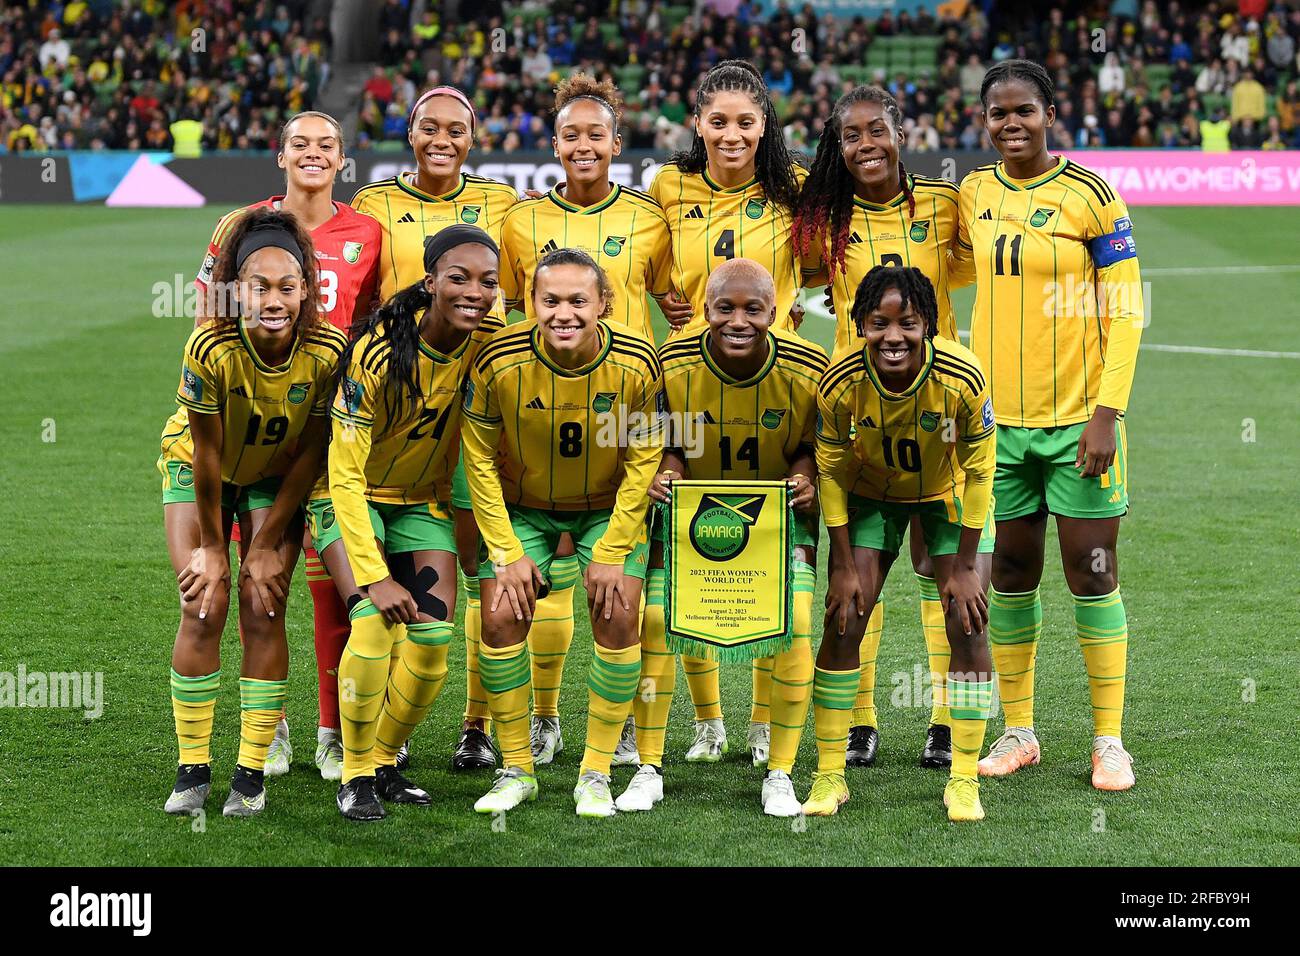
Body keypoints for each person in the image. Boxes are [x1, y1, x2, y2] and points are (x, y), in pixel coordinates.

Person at [956, 60, 1143, 792]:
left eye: (1024, 110)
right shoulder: (973, 191)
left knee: (1091, 575)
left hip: (1077, 425)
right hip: (997, 429)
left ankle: (1108, 741)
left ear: (1051, 113)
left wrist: (1107, 413)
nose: (1011, 123)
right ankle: (1020, 730)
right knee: (1010, 573)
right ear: (983, 122)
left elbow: (1127, 312)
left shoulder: (1092, 196)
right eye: (998, 113)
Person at [194, 110, 382, 783]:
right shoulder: (240, 226)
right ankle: (267, 726)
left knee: (333, 583)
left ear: (341, 160)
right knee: (256, 576)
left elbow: (370, 330)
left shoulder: (367, 231)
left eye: (325, 145)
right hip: (251, 424)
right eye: (299, 143)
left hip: (326, 427)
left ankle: (334, 728)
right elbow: (209, 320)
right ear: (280, 156)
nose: (312, 153)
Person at [497, 72, 678, 768]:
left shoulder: (647, 219)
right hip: (542, 418)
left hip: (626, 419)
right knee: (540, 586)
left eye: (594, 134)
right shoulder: (521, 221)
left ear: (616, 141)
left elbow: (676, 305)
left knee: (625, 588)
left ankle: (627, 726)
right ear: (554, 142)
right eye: (570, 134)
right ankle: (541, 721)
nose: (582, 145)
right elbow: (512, 315)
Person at [793, 84, 976, 771]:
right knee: (855, 577)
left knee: (945, 574)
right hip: (854, 417)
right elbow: (796, 284)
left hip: (938, 415)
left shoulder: (943, 202)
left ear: (902, 131)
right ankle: (859, 721)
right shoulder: (826, 216)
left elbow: (977, 260)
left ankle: (947, 721)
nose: (866, 145)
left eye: (877, 131)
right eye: (852, 136)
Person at [649, 58, 816, 764]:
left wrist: (803, 309)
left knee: (769, 563)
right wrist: (667, 300)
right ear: (697, 123)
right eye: (717, 121)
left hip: (777, 392)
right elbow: (644, 264)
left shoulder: (796, 188)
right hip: (688, 388)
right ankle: (708, 721)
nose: (731, 134)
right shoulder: (666, 185)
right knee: (693, 556)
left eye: (745, 122)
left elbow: (835, 264)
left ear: (764, 125)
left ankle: (759, 725)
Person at [616, 258, 827, 817]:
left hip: (776, 523)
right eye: (725, 308)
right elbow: (664, 442)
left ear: (774, 313)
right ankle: (648, 765)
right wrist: (668, 470)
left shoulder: (810, 368)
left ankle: (779, 771)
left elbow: (815, 442)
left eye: (753, 309)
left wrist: (806, 477)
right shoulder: (672, 364)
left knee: (799, 621)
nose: (738, 320)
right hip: (694, 520)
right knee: (658, 621)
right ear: (704, 311)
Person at [351, 85, 519, 771]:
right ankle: (379, 736)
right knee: (389, 577)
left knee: (479, 565)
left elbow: (520, 289)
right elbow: (363, 303)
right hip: (400, 402)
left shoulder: (503, 203)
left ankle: (476, 725)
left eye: (456, 128)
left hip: (473, 399)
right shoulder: (373, 204)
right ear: (410, 133)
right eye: (429, 127)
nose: (442, 138)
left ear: (474, 137)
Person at [461, 249, 662, 818]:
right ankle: (516, 767)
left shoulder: (638, 361)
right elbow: (476, 459)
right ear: (531, 303)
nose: (564, 314)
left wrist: (614, 548)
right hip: (524, 509)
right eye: (550, 301)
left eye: (578, 301)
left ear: (605, 303)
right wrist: (503, 549)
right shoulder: (497, 362)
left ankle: (596, 770)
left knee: (619, 607)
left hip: (605, 506)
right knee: (500, 612)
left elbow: (644, 458)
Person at [160, 209, 347, 818]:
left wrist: (265, 541)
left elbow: (313, 452)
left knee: (263, 605)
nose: (274, 299)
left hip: (276, 475)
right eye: (258, 286)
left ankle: (249, 774)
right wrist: (216, 545)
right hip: (202, 470)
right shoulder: (209, 346)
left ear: (304, 291)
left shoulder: (327, 351)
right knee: (204, 603)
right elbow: (210, 453)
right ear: (235, 289)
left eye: (286, 287)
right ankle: (193, 770)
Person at [322, 226, 505, 821]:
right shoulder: (377, 353)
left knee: (431, 644)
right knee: (374, 626)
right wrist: (374, 575)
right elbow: (345, 474)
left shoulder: (489, 345)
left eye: (487, 282)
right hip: (351, 498)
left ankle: (381, 761)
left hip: (420, 503)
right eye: (459, 278)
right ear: (430, 283)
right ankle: (353, 775)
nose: (474, 292)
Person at [808, 266, 996, 822]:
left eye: (908, 323)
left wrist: (964, 565)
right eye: (879, 323)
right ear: (860, 324)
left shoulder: (963, 378)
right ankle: (828, 776)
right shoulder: (840, 383)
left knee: (968, 618)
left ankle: (963, 779)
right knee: (845, 615)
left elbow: (981, 471)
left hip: (948, 493)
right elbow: (832, 473)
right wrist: (842, 564)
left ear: (929, 326)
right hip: (873, 494)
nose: (894, 336)